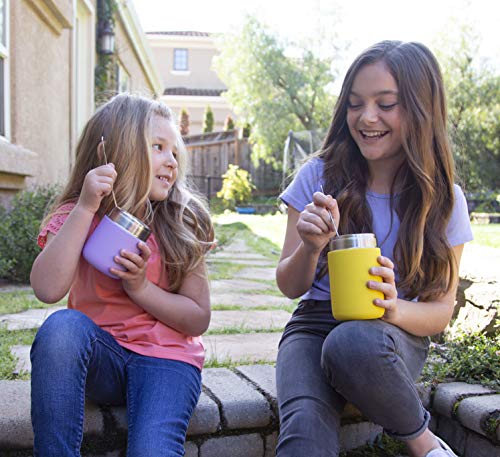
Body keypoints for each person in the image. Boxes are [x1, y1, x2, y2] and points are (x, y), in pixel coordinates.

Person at [275, 41, 473, 457]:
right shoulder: (317, 175)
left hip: (391, 335)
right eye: (355, 103)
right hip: (313, 326)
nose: (366, 118)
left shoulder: (444, 200)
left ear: (421, 109)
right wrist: (311, 249)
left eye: (386, 104)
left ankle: (426, 446)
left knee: (352, 343)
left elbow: (439, 311)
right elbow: (289, 286)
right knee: (304, 433)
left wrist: (393, 307)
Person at [30, 93, 214, 457]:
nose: (171, 161)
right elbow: (47, 289)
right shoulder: (78, 214)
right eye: (158, 147)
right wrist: (85, 207)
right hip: (103, 357)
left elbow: (198, 318)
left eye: (174, 151)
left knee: (153, 450)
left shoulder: (181, 221)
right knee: (61, 328)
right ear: (113, 152)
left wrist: (141, 288)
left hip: (168, 361)